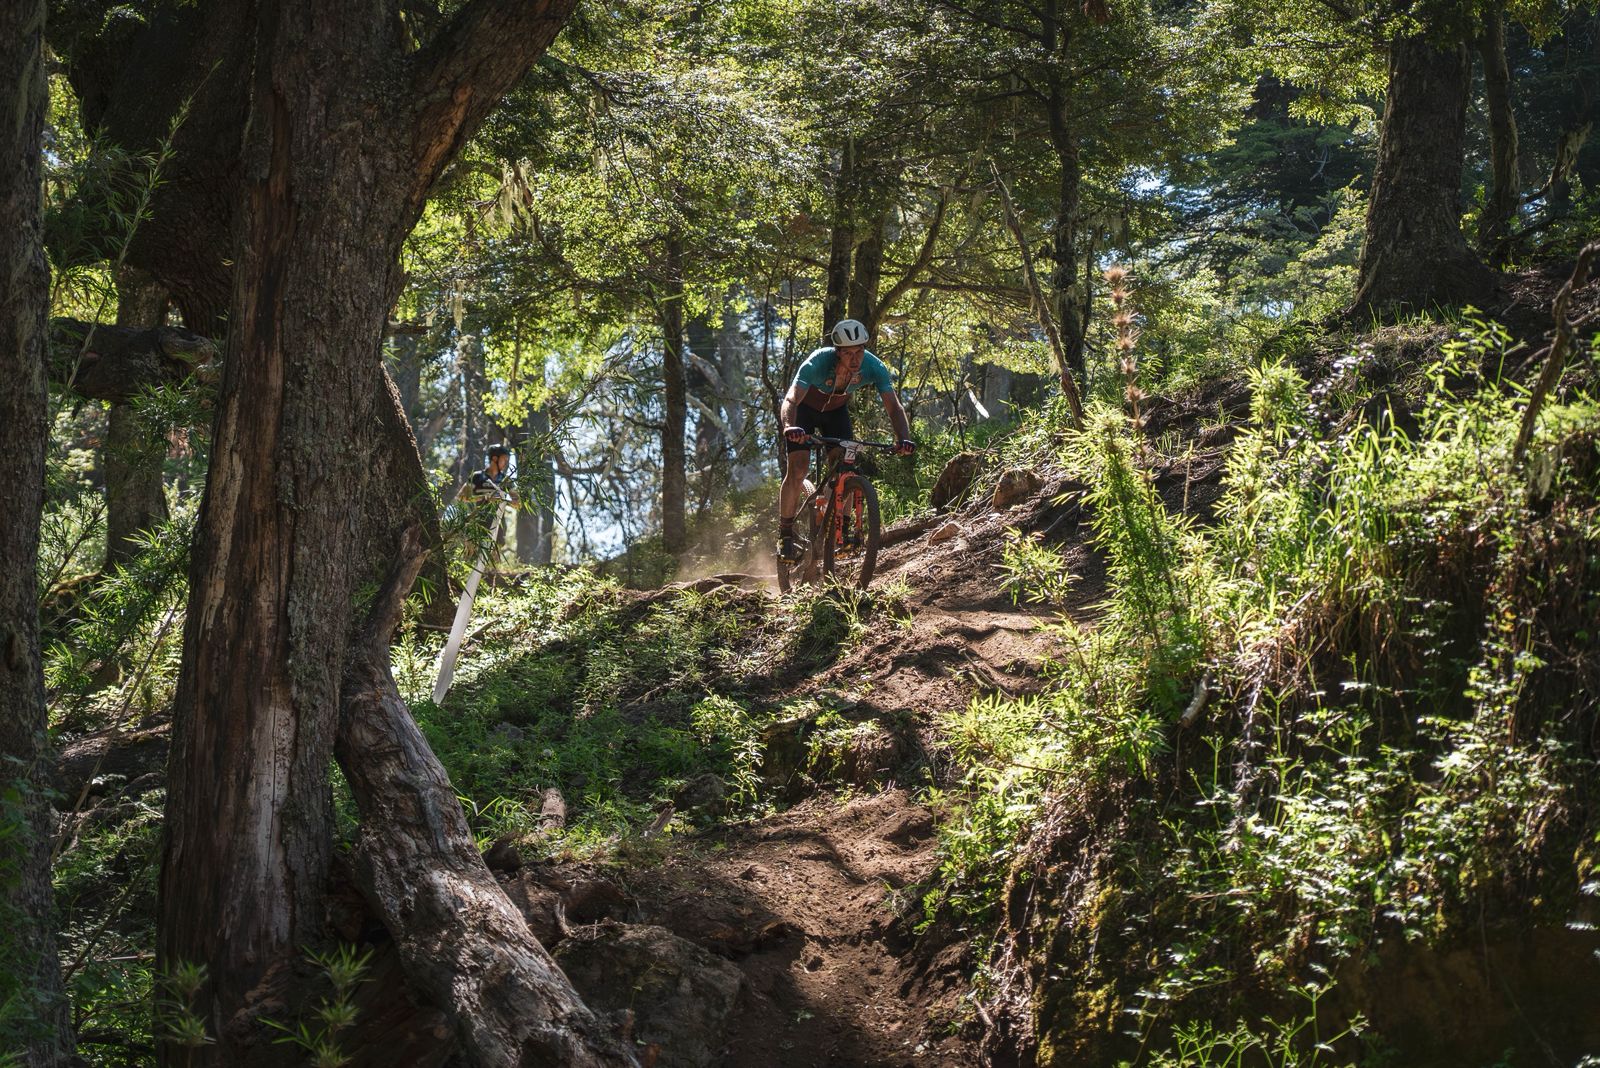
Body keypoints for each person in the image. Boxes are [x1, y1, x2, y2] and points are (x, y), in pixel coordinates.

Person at [778, 318, 914, 563]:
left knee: (846, 466)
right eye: (848, 353)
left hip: (836, 414)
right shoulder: (817, 363)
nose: (855, 359)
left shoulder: (874, 367)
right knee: (798, 468)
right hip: (805, 412)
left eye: (859, 351)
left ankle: (842, 530)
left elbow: (894, 407)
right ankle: (785, 534)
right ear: (837, 352)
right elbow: (791, 400)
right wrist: (790, 427)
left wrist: (903, 438)